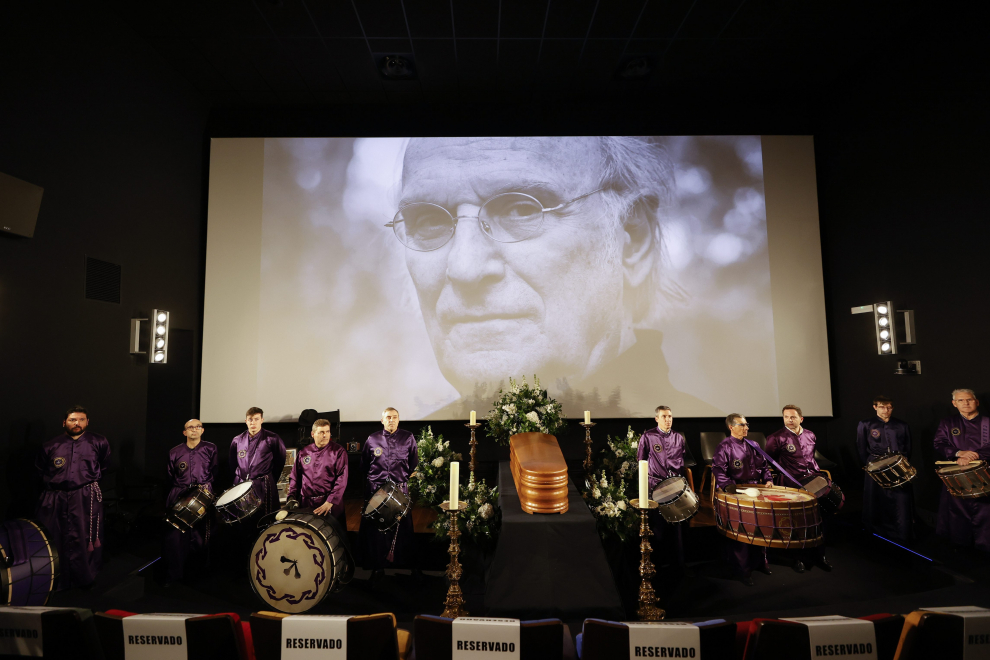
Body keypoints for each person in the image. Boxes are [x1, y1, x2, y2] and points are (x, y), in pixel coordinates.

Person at [390, 137, 723, 419]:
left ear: (632, 240)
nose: (464, 267)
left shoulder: (691, 459)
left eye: (522, 210)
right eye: (428, 220)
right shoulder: (411, 464)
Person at [35, 406, 111, 590]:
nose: (77, 423)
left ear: (87, 422)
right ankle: (56, 578)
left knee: (85, 536)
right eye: (72, 420)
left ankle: (85, 576)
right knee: (54, 535)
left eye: (81, 419)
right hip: (55, 497)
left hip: (85, 496)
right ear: (64, 422)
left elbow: (105, 465)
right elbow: (40, 470)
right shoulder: (51, 445)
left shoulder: (98, 442)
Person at [766, 404, 832, 572]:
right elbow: (769, 461)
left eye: (793, 417)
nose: (789, 420)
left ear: (801, 419)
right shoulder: (776, 438)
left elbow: (812, 459)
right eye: (786, 417)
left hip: (813, 482)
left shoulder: (810, 435)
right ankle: (797, 559)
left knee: (818, 519)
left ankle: (820, 556)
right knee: (795, 523)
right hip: (790, 484)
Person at [712, 413, 773, 586]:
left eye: (747, 424)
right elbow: (718, 470)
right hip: (737, 492)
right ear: (731, 427)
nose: (747, 428)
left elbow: (763, 466)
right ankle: (743, 570)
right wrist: (730, 488)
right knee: (742, 531)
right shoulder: (723, 446)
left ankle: (761, 563)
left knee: (760, 528)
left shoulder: (754, 444)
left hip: (756, 492)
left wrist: (768, 479)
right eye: (742, 425)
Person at [359, 407, 419, 584]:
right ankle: (378, 567)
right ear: (382, 420)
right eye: (388, 417)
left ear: (399, 420)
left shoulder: (408, 438)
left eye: (394, 417)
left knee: (405, 528)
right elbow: (364, 465)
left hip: (400, 489)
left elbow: (413, 463)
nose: (391, 420)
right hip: (377, 489)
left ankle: (409, 565)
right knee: (376, 530)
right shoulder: (372, 439)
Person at [636, 405, 691, 575]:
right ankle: (657, 564)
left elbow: (682, 462)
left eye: (670, 416)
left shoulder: (678, 438)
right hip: (655, 487)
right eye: (664, 416)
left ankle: (678, 565)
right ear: (656, 418)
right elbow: (641, 460)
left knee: (677, 527)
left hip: (675, 488)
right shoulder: (648, 436)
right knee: (658, 527)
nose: (668, 419)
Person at [932, 389, 990, 553]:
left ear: (976, 402)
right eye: (961, 400)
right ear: (954, 403)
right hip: (957, 476)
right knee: (957, 510)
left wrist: (976, 455)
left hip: (985, 474)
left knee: (985, 511)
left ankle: (984, 545)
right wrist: (958, 453)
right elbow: (939, 443)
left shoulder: (988, 422)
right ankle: (960, 544)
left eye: (969, 400)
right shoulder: (947, 423)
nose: (966, 403)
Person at [162, 419, 218, 584]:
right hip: (180, 495)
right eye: (190, 427)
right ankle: (175, 574)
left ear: (202, 430)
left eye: (198, 427)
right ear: (184, 432)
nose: (195, 429)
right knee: (176, 537)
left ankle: (200, 575)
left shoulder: (210, 448)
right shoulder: (175, 452)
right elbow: (170, 476)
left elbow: (214, 471)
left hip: (203, 496)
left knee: (203, 536)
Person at [856, 396, 913, 541]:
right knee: (875, 497)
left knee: (900, 498)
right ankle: (875, 530)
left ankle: (901, 531)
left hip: (897, 465)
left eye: (889, 407)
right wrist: (868, 464)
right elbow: (861, 446)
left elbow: (908, 446)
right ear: (875, 407)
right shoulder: (865, 424)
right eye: (882, 407)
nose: (886, 410)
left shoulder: (902, 425)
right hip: (875, 464)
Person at [286, 418, 349, 528]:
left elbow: (342, 478)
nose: (325, 435)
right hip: (306, 504)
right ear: (313, 434)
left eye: (327, 432)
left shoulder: (338, 452)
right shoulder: (304, 452)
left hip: (328, 503)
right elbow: (295, 477)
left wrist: (330, 502)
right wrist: (291, 497)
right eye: (321, 432)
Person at [229, 407, 286, 517]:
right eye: (250, 419)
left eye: (256, 419)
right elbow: (232, 463)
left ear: (262, 420)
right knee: (243, 519)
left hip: (264, 484)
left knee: (266, 517)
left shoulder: (272, 438)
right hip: (242, 484)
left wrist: (269, 478)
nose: (253, 422)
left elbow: (280, 461)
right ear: (246, 421)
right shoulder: (237, 440)